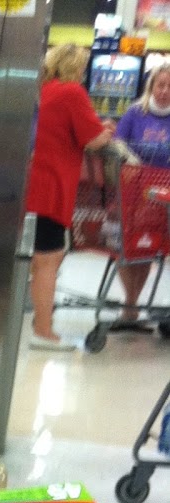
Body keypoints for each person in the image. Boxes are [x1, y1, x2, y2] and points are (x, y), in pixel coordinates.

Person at [24, 43, 115, 351]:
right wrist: (107, 130)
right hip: (52, 186)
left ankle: (40, 324)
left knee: (39, 258)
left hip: (33, 183)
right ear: (76, 67)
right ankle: (44, 331)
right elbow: (93, 139)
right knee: (48, 258)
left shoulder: (46, 90)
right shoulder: (72, 92)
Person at [112, 63, 170, 325]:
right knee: (125, 246)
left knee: (148, 245)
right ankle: (130, 302)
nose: (165, 91)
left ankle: (132, 304)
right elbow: (118, 142)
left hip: (162, 195)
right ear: (151, 86)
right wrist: (129, 157)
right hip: (131, 189)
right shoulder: (135, 113)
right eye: (161, 85)